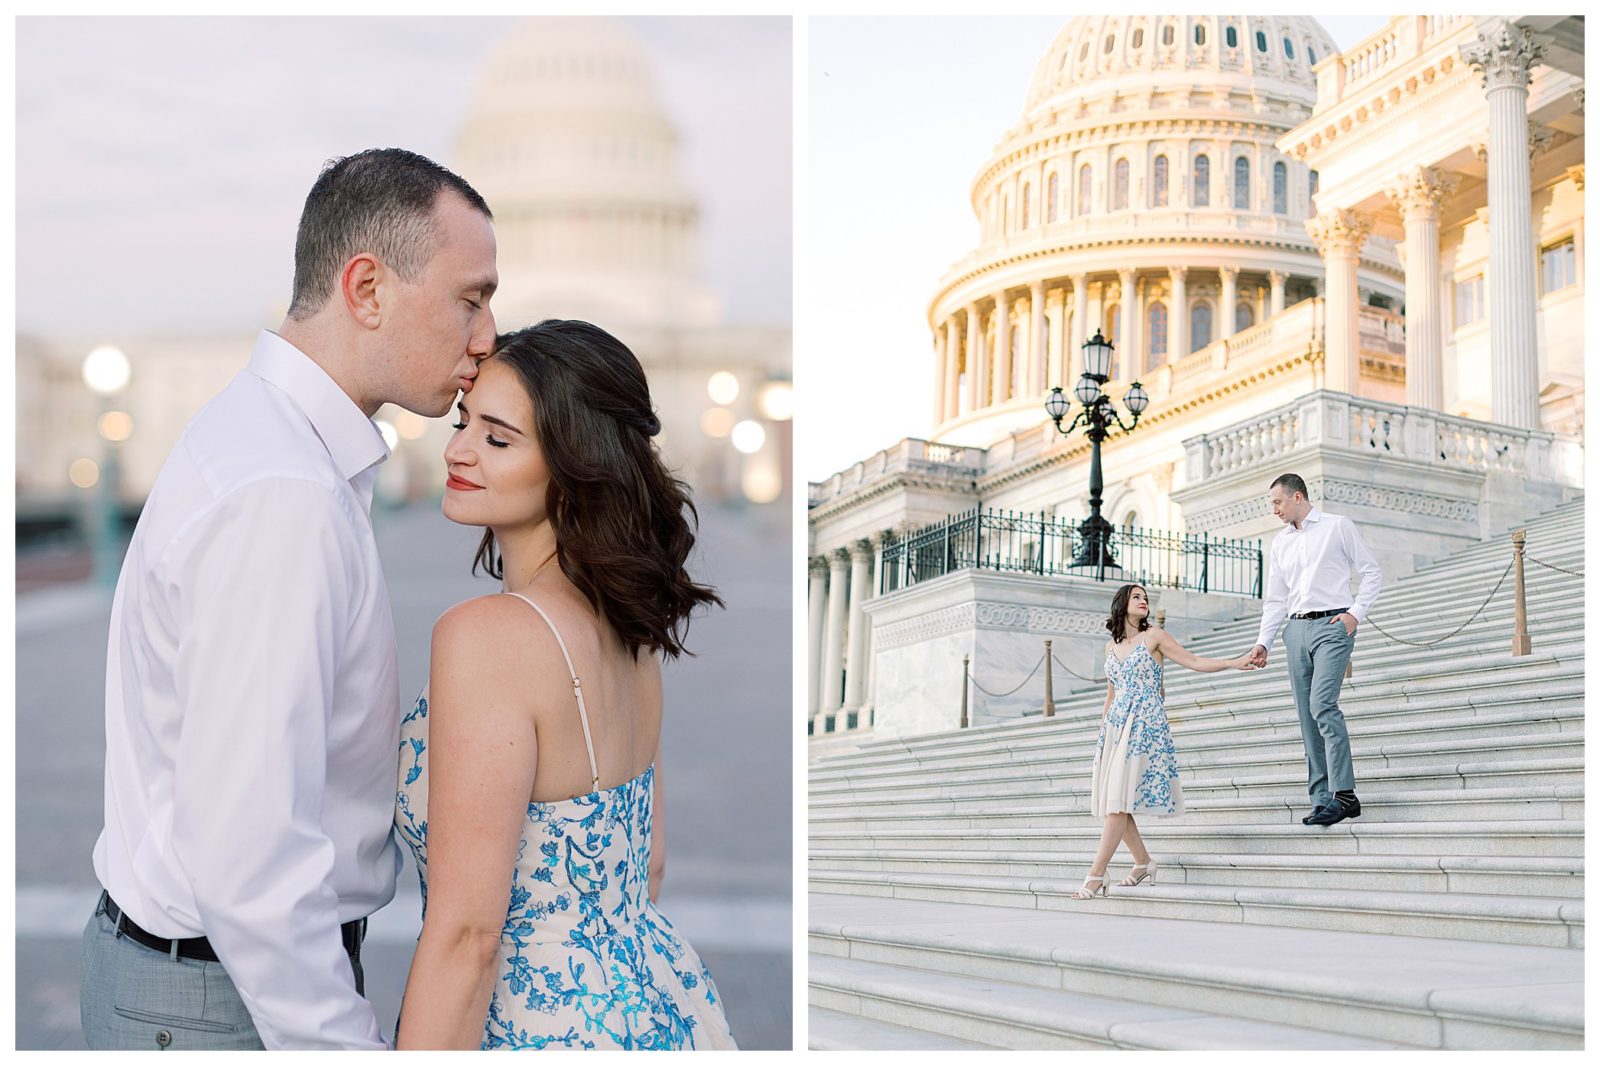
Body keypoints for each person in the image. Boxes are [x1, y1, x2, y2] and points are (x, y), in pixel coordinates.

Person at [80, 148, 498, 1050]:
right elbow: (251, 860)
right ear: (367, 288)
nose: (487, 335)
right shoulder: (284, 491)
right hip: (220, 1001)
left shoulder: (273, 445)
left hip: (204, 981)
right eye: (471, 297)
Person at [393, 320, 738, 1050]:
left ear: (573, 463)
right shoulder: (628, 626)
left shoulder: (487, 637)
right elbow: (648, 864)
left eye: (497, 437)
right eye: (463, 423)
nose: (456, 450)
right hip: (655, 1007)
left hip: (534, 1028)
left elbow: (467, 936)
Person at [1073, 583, 1257, 899]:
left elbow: (1194, 661)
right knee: (1115, 802)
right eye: (1136, 597)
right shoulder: (1111, 646)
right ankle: (1143, 862)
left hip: (1144, 725)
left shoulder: (1154, 637)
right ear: (1122, 604)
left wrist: (1232, 662)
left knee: (1117, 804)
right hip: (1116, 728)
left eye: (1146, 598)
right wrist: (1104, 732)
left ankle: (1096, 875)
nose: (1144, 601)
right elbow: (1111, 694)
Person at [1246, 473, 1382, 827]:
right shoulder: (1280, 543)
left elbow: (1371, 572)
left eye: (1277, 502)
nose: (1274, 509)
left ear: (1298, 497)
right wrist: (1265, 641)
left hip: (1333, 626)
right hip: (1296, 629)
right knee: (1307, 718)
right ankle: (1321, 799)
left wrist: (1355, 614)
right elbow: (1276, 598)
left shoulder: (1337, 526)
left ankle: (1345, 795)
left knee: (1322, 704)